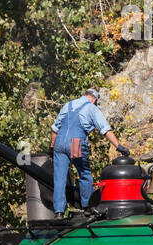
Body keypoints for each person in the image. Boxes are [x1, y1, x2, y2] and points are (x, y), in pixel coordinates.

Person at [49, 88, 128, 218]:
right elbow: (105, 129)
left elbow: (54, 128)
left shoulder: (68, 105)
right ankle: (87, 207)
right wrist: (118, 146)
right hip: (75, 143)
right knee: (84, 174)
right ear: (94, 99)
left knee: (59, 178)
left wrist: (52, 146)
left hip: (59, 142)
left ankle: (59, 212)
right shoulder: (92, 108)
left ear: (85, 95)